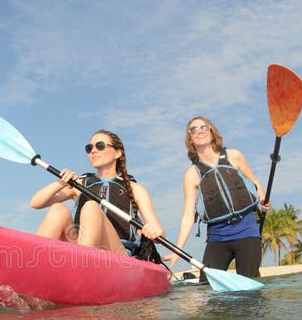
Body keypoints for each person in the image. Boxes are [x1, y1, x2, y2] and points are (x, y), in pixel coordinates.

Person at [165, 116, 270, 279]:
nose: (199, 131)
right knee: (206, 287)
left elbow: (254, 181)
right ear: (190, 139)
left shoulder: (234, 155)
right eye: (194, 129)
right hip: (218, 237)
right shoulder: (192, 174)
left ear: (212, 133)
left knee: (249, 290)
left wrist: (262, 199)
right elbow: (187, 216)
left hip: (247, 232)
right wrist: (177, 250)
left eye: (203, 127)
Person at [29, 129, 164, 255]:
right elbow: (35, 203)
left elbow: (159, 233)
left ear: (118, 153)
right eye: (89, 148)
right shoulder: (80, 183)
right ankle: (35, 264)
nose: (93, 151)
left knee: (91, 207)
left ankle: (83, 264)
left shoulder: (135, 189)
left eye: (100, 145)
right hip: (80, 246)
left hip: (117, 253)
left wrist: (154, 232)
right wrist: (61, 182)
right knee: (58, 210)